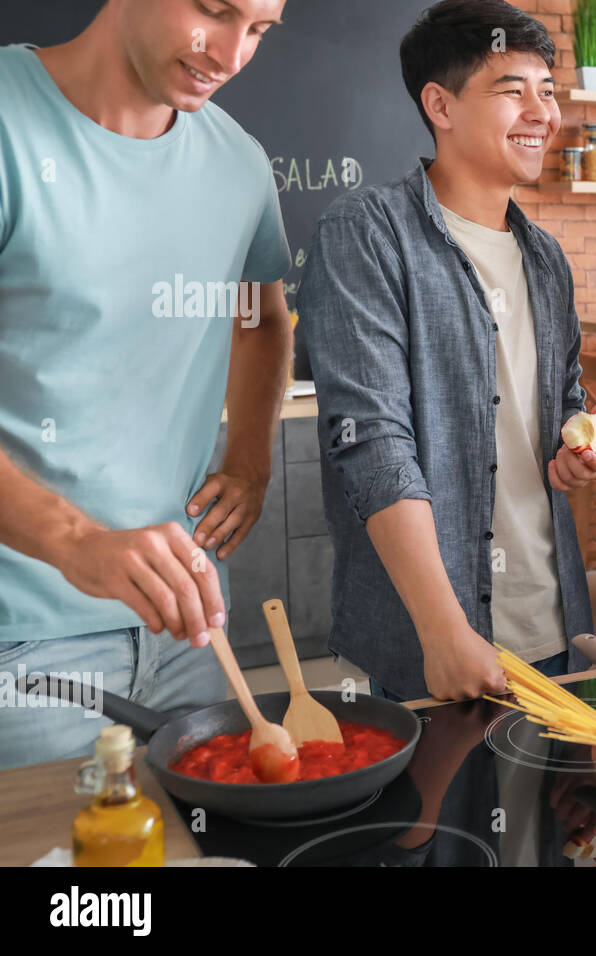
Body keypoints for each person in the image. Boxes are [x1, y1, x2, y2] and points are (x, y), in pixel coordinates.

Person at [0, 0, 293, 770]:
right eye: (215, 10)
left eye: (260, 29)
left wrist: (252, 461)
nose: (231, 54)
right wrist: (76, 541)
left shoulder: (239, 164)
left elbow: (261, 319)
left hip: (193, 634)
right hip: (21, 654)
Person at [297, 0, 596, 704]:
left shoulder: (546, 259)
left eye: (549, 91)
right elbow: (371, 442)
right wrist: (443, 628)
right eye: (512, 91)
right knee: (434, 817)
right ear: (439, 104)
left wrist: (576, 447)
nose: (543, 113)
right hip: (433, 637)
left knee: (558, 817)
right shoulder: (368, 235)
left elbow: (560, 401)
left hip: (556, 621)